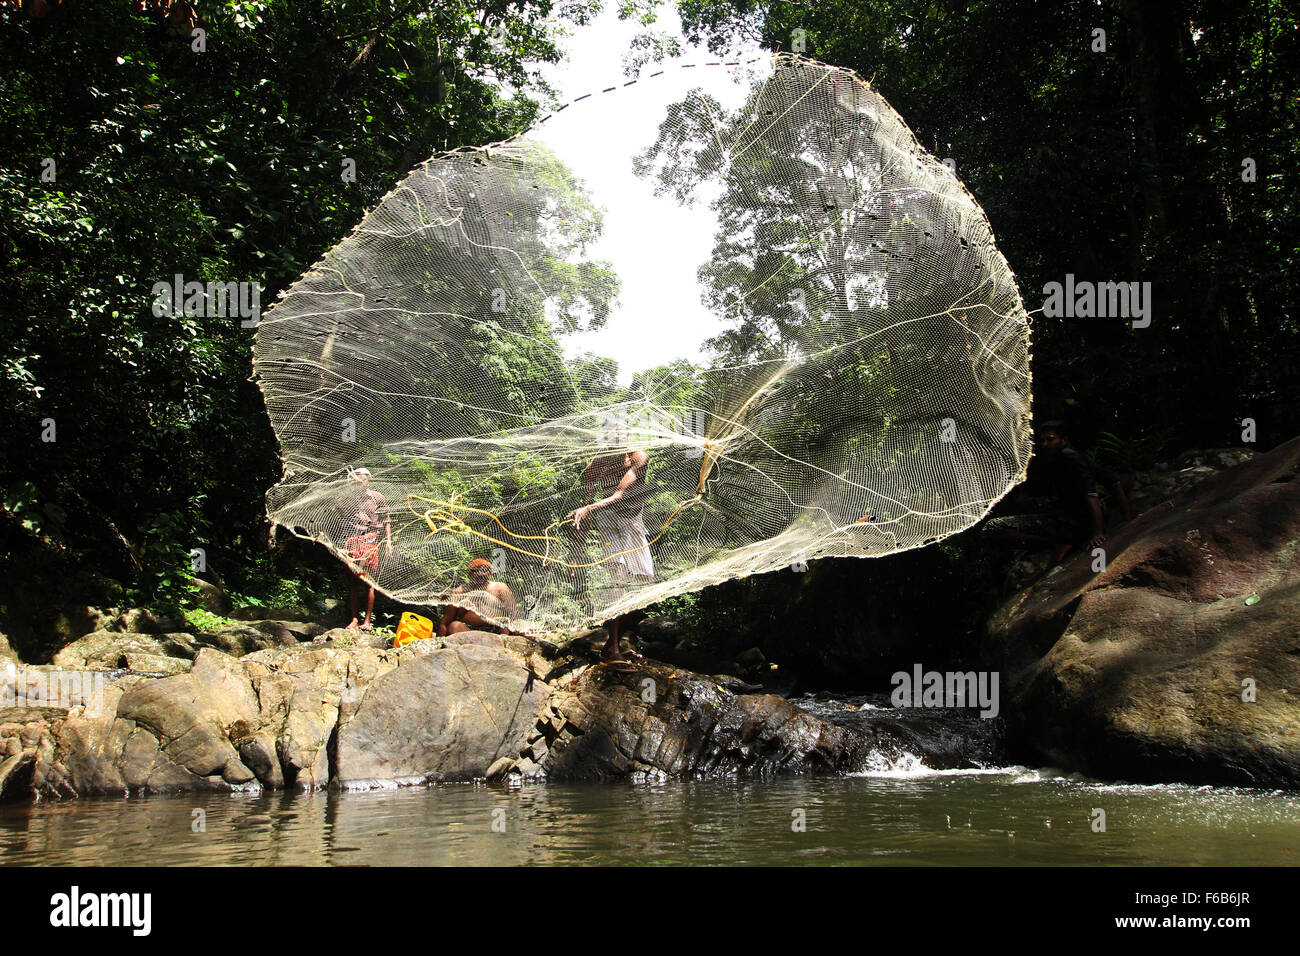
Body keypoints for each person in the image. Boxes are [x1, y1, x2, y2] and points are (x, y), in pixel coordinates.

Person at [985, 420, 1132, 570]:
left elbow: (1091, 494)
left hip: (1073, 525)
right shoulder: (1069, 457)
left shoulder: (1068, 457)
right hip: (1067, 519)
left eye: (1050, 439)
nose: (1045, 444)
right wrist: (1127, 518)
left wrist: (1098, 532)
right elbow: (1113, 482)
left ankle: (1061, 541)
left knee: (993, 527)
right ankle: (1061, 541)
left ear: (1064, 440)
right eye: (1043, 440)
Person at [568, 424, 653, 672]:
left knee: (645, 585)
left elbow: (619, 494)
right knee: (617, 580)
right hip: (609, 522)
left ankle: (611, 643)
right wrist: (575, 554)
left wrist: (588, 508)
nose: (618, 440)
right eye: (613, 436)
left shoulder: (638, 457)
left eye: (622, 435)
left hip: (633, 521)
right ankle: (613, 648)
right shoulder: (594, 465)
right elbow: (585, 507)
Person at [340, 467, 392, 630]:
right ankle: (354, 619)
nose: (361, 482)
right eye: (358, 480)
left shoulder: (377, 497)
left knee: (369, 582)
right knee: (353, 582)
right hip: (353, 540)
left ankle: (367, 621)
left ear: (368, 480)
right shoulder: (349, 499)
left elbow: (386, 520)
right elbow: (338, 514)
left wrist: (389, 542)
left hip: (370, 541)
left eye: (364, 479)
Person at [438, 558, 520, 636]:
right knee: (454, 626)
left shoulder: (500, 587)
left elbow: (513, 614)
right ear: (469, 574)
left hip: (496, 628)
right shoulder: (459, 592)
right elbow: (446, 620)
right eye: (475, 571)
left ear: (491, 572)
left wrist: (504, 634)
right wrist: (439, 642)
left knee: (524, 631)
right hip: (468, 630)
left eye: (484, 570)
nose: (480, 574)